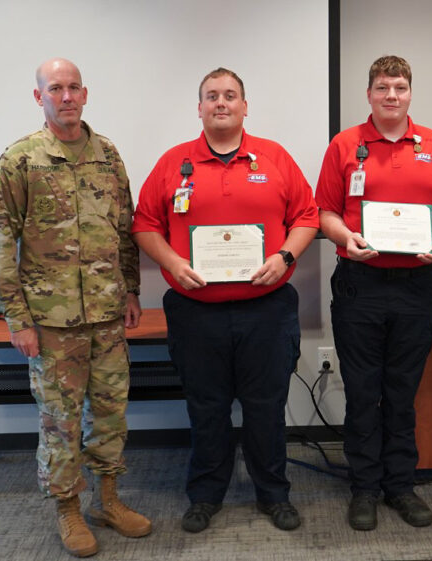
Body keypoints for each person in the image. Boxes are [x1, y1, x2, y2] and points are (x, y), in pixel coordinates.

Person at [132, 68, 318, 533]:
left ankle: (273, 494)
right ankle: (205, 495)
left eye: (230, 95)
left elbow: (308, 216)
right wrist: (172, 263)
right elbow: (144, 225)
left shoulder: (274, 158)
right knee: (206, 408)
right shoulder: (174, 162)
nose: (221, 103)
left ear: (244, 105)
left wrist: (284, 254)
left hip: (267, 311)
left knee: (265, 407)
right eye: (211, 96)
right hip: (197, 314)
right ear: (199, 108)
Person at [0, 58, 151, 557]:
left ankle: (108, 500)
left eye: (74, 87)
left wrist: (132, 289)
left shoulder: (107, 155)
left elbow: (124, 227)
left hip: (107, 315)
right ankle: (69, 510)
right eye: (56, 88)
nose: (67, 96)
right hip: (51, 325)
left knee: (112, 414)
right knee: (61, 420)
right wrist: (17, 319)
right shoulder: (21, 160)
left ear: (86, 93)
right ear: (40, 97)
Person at [315, 55, 432, 531]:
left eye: (400, 87)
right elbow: (325, 212)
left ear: (410, 93)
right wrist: (345, 238)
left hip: (417, 285)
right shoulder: (345, 144)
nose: (392, 95)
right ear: (369, 94)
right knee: (362, 393)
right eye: (383, 87)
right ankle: (363, 488)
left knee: (402, 393)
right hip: (361, 284)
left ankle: (400, 486)